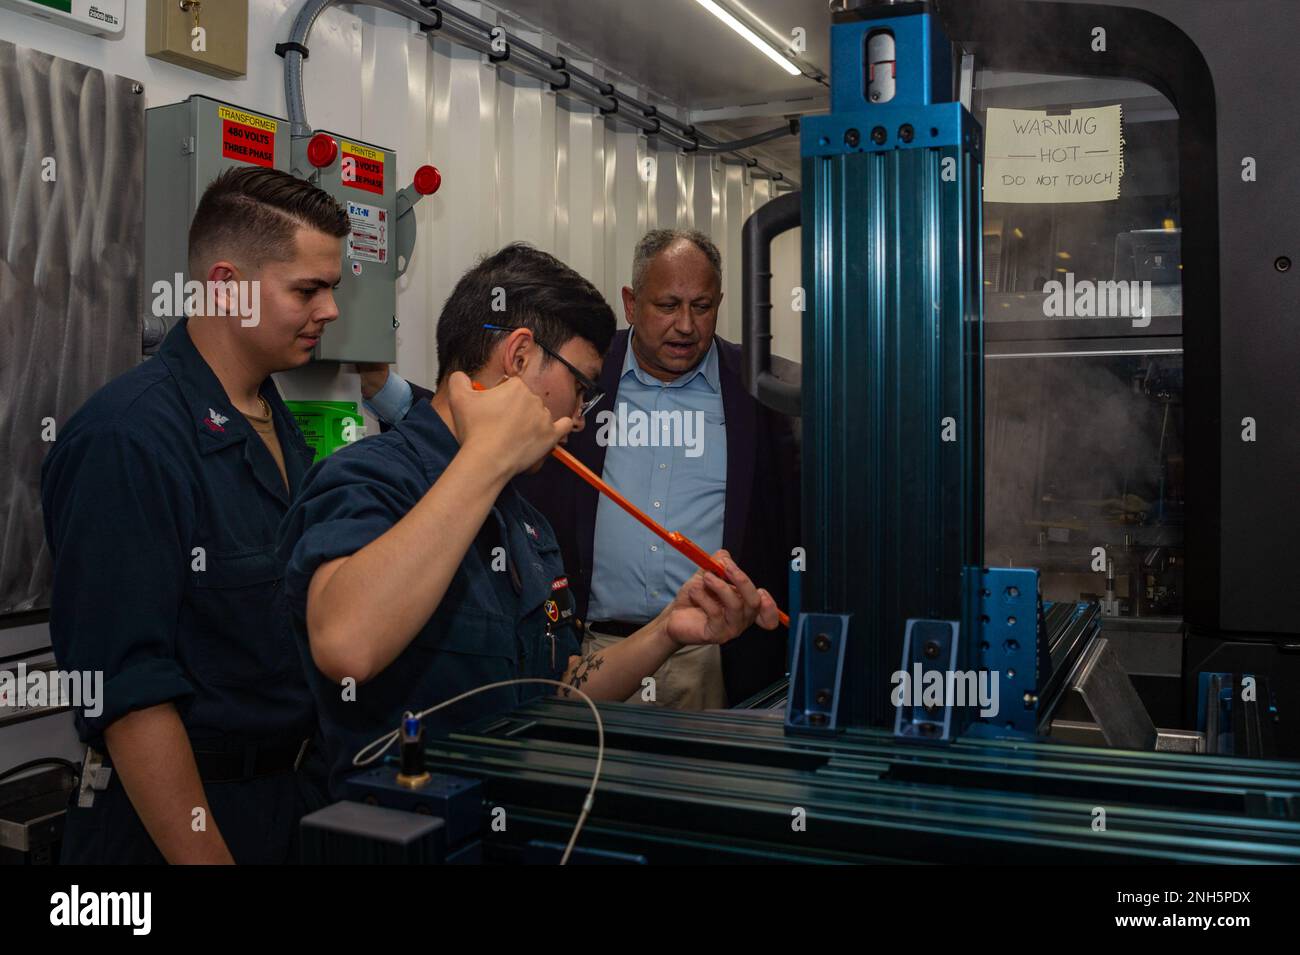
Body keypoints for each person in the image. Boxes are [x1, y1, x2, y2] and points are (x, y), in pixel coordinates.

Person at [280, 243, 778, 797]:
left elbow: (555, 691)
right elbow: (346, 645)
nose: (579, 416)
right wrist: (487, 459)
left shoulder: (525, 523)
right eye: (581, 388)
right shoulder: (370, 478)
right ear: (518, 358)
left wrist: (667, 630)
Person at [40, 167, 347, 863]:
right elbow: (130, 692)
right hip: (179, 827)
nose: (330, 310)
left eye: (333, 288)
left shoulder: (277, 423)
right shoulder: (129, 438)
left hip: (285, 802)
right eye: (308, 289)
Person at [359, 229, 799, 709]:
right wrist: (388, 391)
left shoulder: (767, 389)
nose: (686, 325)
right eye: (668, 305)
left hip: (714, 653)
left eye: (702, 306)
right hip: (586, 647)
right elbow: (478, 423)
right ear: (631, 304)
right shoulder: (581, 362)